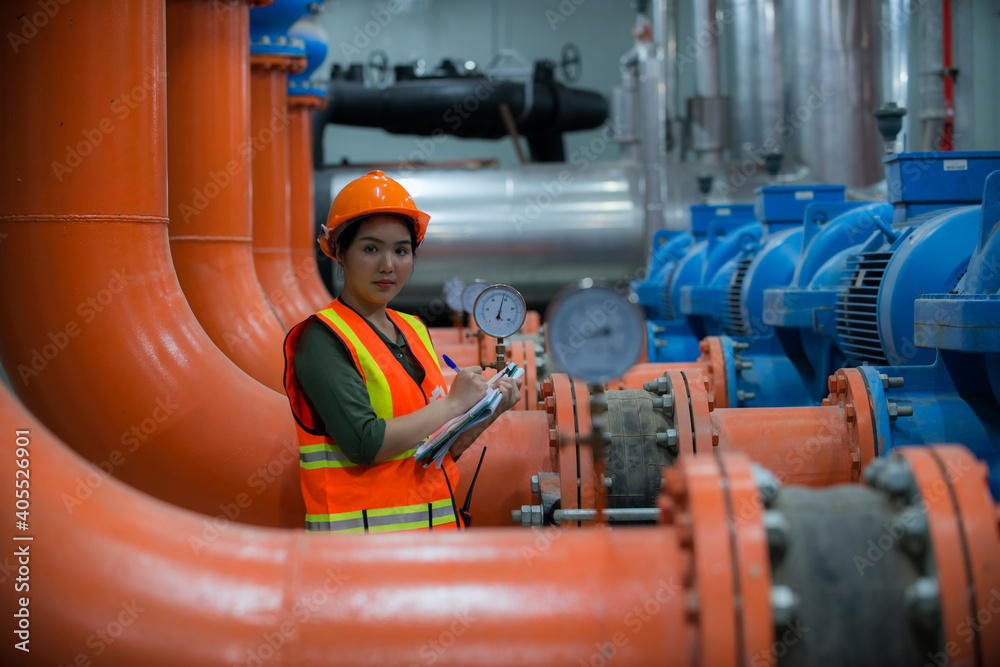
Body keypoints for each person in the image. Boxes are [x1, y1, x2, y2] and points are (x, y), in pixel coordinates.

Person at [283, 170, 521, 534]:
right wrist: (454, 403)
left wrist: (487, 412)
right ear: (339, 253)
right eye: (371, 248)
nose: (388, 265)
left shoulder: (413, 329)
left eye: (401, 250)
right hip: (362, 560)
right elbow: (364, 443)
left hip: (430, 553)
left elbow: (431, 452)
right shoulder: (323, 338)